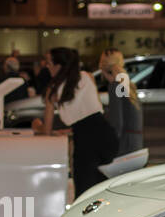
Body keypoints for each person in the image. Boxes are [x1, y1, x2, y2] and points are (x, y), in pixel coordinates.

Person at [36, 47, 118, 197]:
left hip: (85, 145)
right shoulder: (87, 77)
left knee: (84, 194)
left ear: (58, 65)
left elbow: (46, 130)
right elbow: (92, 112)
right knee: (104, 189)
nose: (46, 66)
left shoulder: (52, 91)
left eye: (48, 63)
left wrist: (36, 126)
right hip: (106, 136)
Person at [98, 48, 143, 156]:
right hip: (135, 142)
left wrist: (109, 144)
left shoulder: (116, 86)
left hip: (124, 144)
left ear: (102, 68)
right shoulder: (127, 84)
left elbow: (117, 122)